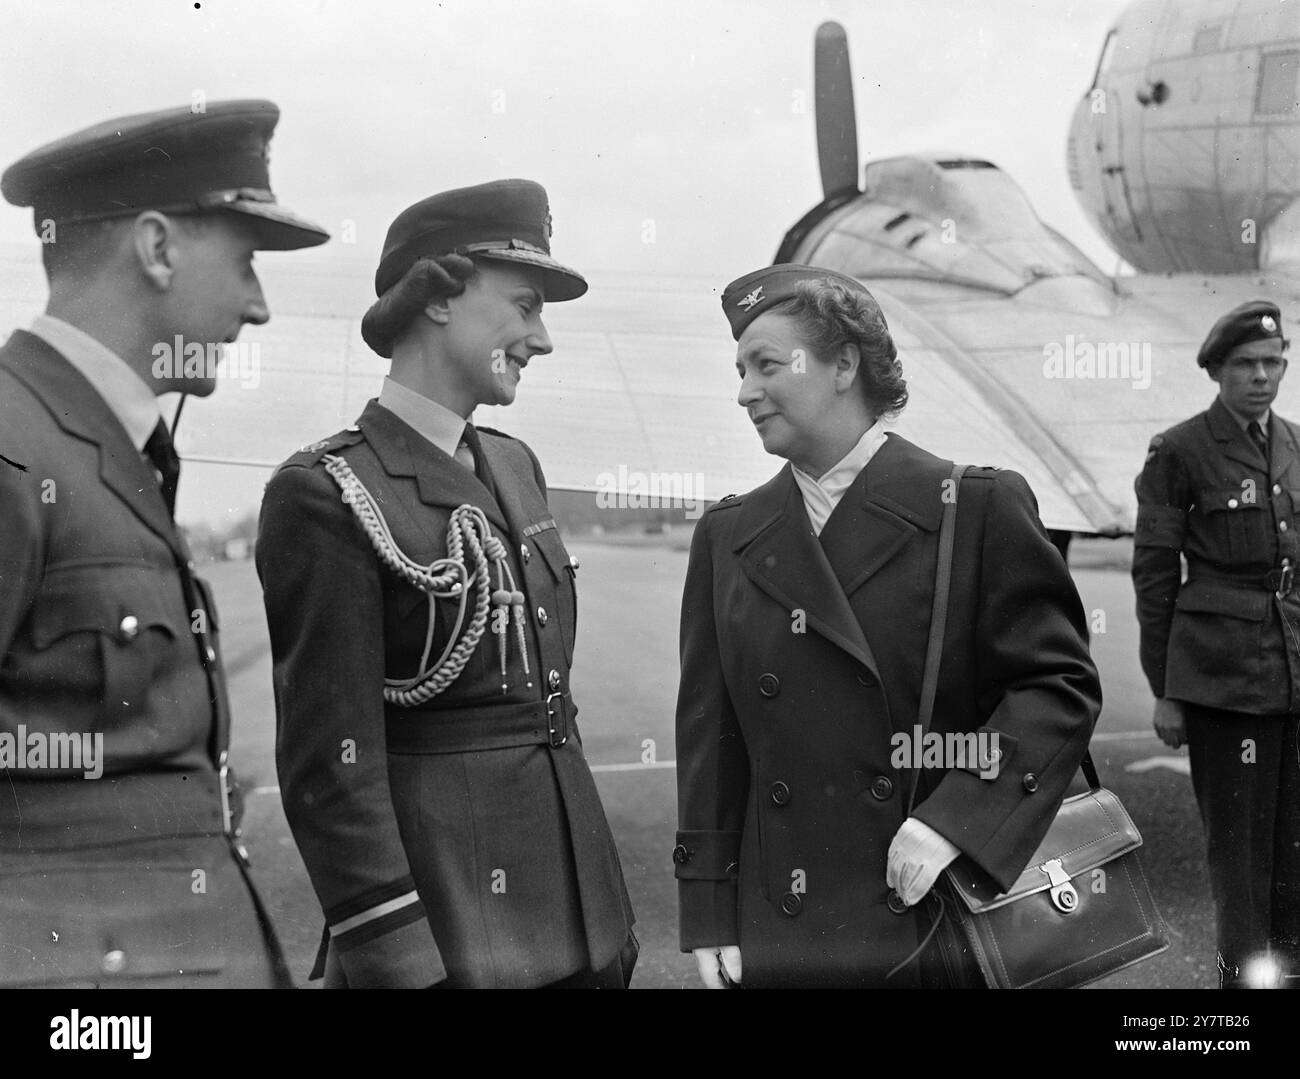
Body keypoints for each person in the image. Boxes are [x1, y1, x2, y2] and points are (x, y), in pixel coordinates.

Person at [674, 263, 1102, 988]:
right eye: (741, 368)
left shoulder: (975, 507)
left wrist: (956, 820)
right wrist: (709, 908)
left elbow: (1055, 689)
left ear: (844, 363)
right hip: (783, 924)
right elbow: (711, 742)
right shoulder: (729, 534)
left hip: (931, 909)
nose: (744, 391)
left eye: (766, 365)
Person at [256, 180, 637, 989]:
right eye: (526, 305)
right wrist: (397, 958)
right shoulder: (326, 490)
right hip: (458, 937)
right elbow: (331, 768)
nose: (542, 337)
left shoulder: (514, 463)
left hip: (584, 917)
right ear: (436, 296)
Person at [0, 100, 329, 986]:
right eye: (246, 260)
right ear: (155, 247)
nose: (258, 306)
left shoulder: (99, 442)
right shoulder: (11, 440)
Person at [1132, 299, 1299, 989]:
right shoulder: (1181, 451)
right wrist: (1165, 690)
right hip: (1221, 682)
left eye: (1272, 363)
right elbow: (1153, 574)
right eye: (1246, 365)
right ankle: (1243, 994)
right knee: (1240, 855)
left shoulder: (1294, 441)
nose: (1261, 376)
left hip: (1292, 676)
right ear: (1216, 371)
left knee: (1292, 851)